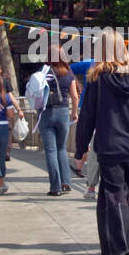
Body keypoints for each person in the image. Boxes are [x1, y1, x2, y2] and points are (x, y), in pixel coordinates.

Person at [75, 30, 129, 255]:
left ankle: (128, 246)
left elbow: (87, 116)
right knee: (123, 197)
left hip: (110, 145)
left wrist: (81, 148)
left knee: (114, 197)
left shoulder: (97, 79)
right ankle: (121, 249)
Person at [39, 48, 79, 196]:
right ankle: (66, 182)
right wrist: (74, 113)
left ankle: (55, 187)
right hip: (63, 112)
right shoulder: (69, 73)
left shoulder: (44, 72)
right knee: (61, 148)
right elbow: (75, 96)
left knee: (50, 151)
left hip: (46, 111)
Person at [70, 54, 98, 196]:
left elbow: (69, 68)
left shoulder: (90, 63)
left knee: (91, 145)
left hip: (88, 107)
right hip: (90, 108)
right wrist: (76, 83)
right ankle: (80, 164)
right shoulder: (123, 67)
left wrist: (76, 84)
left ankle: (80, 165)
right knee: (92, 146)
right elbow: (69, 69)